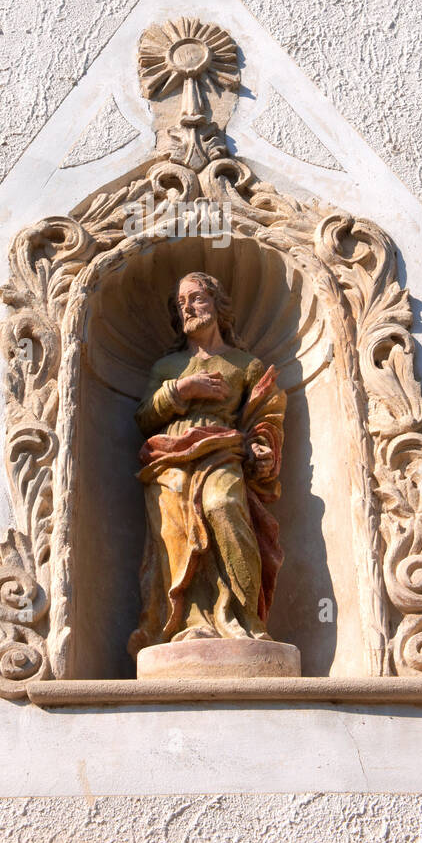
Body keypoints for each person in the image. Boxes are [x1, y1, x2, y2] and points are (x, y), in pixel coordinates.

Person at [129, 272, 286, 656]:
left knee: (224, 507)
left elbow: (265, 415)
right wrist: (182, 390)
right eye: (181, 303)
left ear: (217, 305)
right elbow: (144, 417)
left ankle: (245, 621)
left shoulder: (246, 365)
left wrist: (263, 446)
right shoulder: (168, 367)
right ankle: (186, 624)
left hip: (222, 453)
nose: (188, 308)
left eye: (196, 298)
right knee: (176, 531)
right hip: (168, 458)